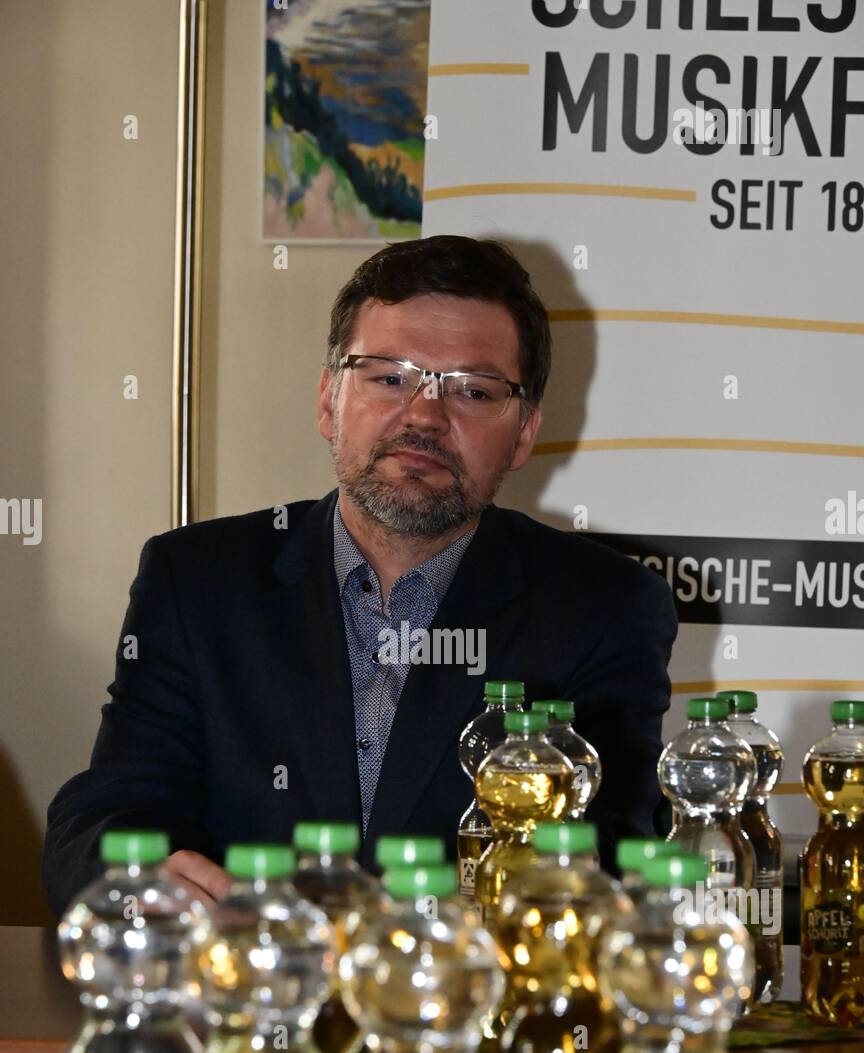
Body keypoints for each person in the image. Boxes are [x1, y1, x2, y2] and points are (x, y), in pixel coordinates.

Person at [43, 234, 677, 916]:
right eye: (389, 377)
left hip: (470, 1010)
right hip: (248, 999)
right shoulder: (196, 581)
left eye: (473, 389)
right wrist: (144, 878)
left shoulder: (603, 606)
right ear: (327, 401)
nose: (425, 416)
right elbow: (108, 813)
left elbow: (616, 850)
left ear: (523, 433)